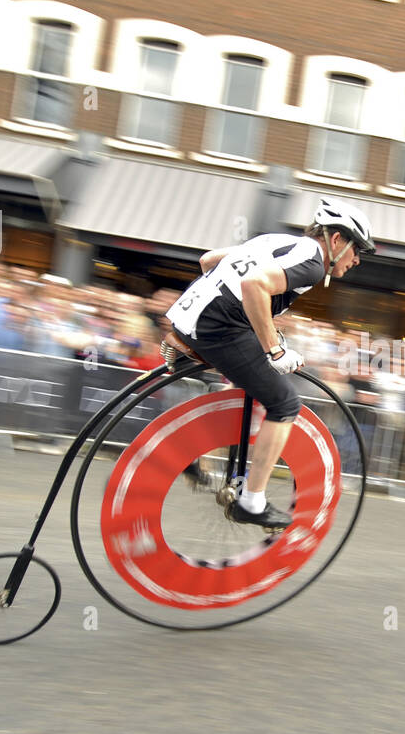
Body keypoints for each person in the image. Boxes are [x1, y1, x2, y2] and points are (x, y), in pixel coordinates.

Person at [161, 198, 375, 529]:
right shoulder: (314, 263)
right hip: (217, 329)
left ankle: (188, 448)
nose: (357, 259)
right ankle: (252, 502)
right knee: (285, 403)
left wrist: (249, 323)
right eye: (356, 249)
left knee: (248, 387)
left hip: (191, 319)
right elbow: (253, 284)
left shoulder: (275, 241)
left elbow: (209, 262)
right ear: (336, 240)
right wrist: (274, 349)